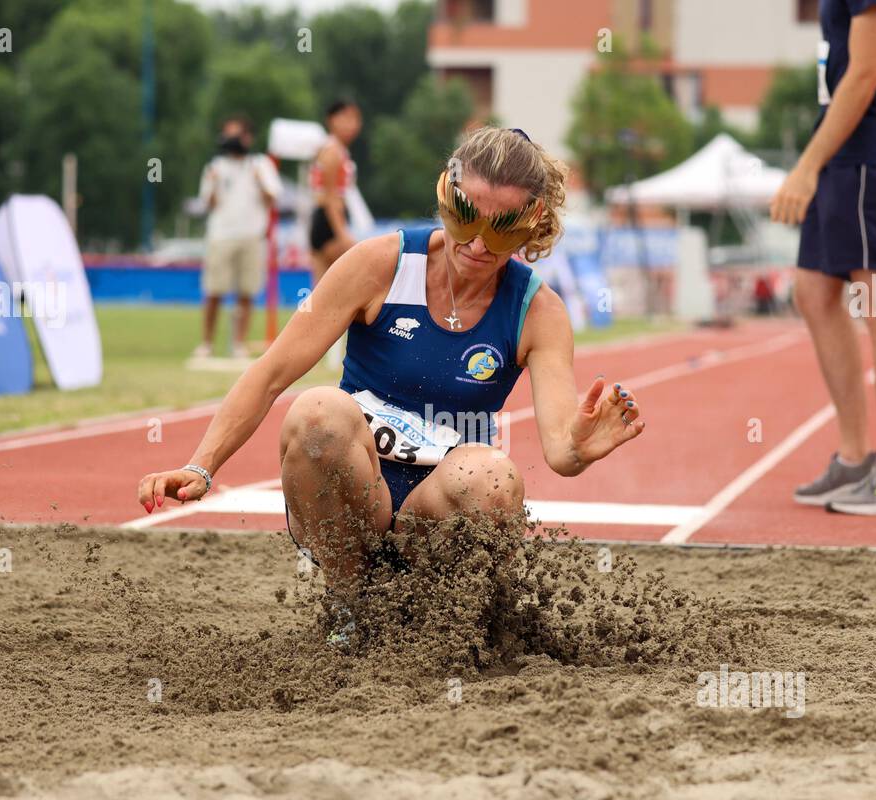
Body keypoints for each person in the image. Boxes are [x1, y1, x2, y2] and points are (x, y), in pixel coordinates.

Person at [138, 126, 645, 622]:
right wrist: (202, 466)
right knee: (317, 411)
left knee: (493, 476)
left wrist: (579, 444)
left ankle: (445, 618)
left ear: (531, 225)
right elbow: (272, 373)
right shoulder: (378, 264)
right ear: (447, 196)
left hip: (441, 512)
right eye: (466, 217)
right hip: (354, 494)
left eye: (503, 229)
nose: (477, 245)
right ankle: (349, 601)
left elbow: (559, 449)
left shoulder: (538, 311)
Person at [771, 0, 876, 516]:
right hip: (840, 144)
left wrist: (807, 165)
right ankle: (857, 458)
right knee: (813, 291)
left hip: (867, 148)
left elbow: (865, 72)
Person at [196, 115, 281, 361]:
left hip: (252, 236)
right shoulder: (214, 167)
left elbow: (273, 198)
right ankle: (207, 343)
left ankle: (239, 343)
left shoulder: (261, 164)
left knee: (246, 291)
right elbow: (207, 203)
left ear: (247, 137)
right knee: (214, 291)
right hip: (221, 235)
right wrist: (212, 186)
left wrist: (259, 182)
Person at [308, 100, 362, 285]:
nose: (352, 124)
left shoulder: (334, 149)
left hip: (324, 218)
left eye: (356, 119)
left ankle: (310, 314)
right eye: (346, 118)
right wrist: (342, 234)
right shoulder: (333, 152)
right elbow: (331, 197)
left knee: (321, 288)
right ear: (331, 120)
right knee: (348, 282)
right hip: (329, 220)